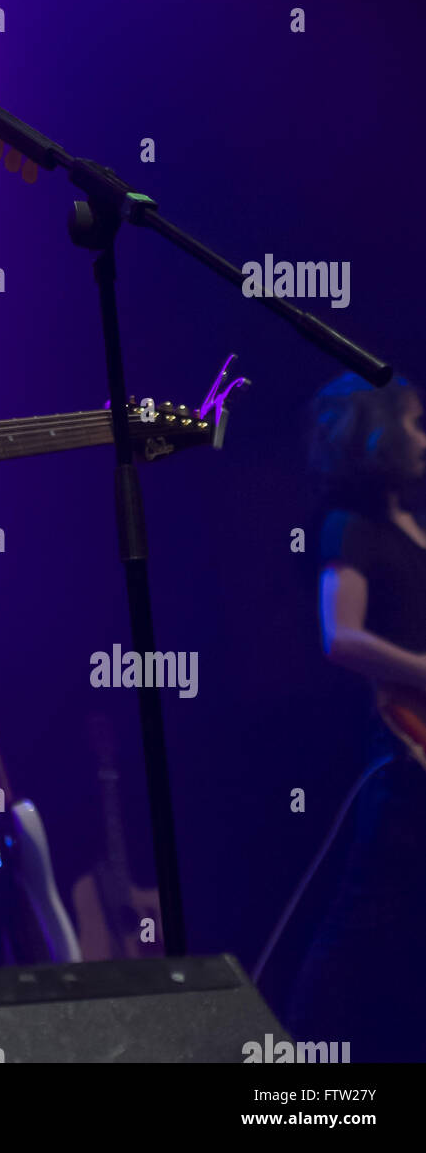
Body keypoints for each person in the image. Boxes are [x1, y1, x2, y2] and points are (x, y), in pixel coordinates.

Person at [285, 372, 426, 1060]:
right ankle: (300, 1078)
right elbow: (338, 636)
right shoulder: (352, 527)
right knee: (357, 923)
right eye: (415, 422)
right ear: (378, 433)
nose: (424, 437)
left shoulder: (411, 521)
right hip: (399, 750)